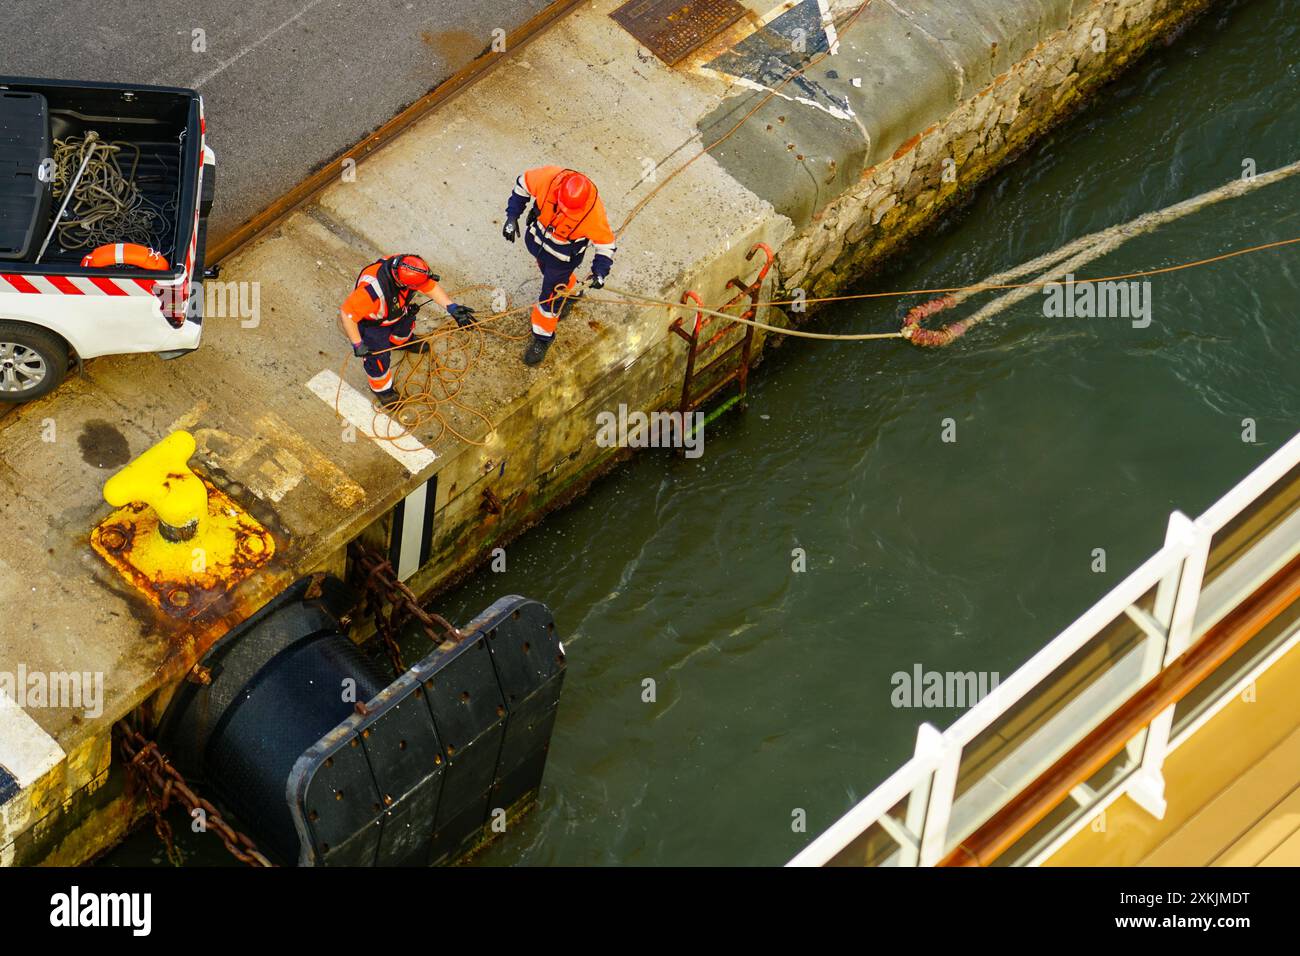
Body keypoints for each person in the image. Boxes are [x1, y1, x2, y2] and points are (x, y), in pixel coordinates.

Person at [503, 167, 616, 366]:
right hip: (538, 246)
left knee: (548, 301)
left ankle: (543, 337)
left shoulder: (593, 214)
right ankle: (572, 292)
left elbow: (606, 245)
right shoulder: (549, 178)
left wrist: (600, 272)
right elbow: (522, 185)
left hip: (562, 260)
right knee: (551, 277)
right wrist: (512, 216)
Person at [339, 254, 476, 407]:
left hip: (396, 312)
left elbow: (428, 286)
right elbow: (347, 314)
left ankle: (403, 342)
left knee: (405, 326)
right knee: (378, 360)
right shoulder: (372, 292)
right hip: (374, 326)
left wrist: (451, 307)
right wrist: (358, 344)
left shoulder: (407, 266)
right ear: (402, 283)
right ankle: (383, 392)